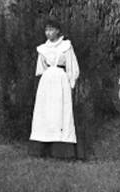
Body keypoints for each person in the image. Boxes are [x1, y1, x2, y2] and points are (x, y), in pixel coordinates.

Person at [29, 20, 83, 160]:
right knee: (45, 113)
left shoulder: (66, 46)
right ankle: (42, 148)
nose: (48, 33)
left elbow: (72, 67)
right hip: (47, 83)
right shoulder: (43, 49)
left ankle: (62, 150)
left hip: (61, 81)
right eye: (46, 30)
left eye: (51, 30)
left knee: (61, 113)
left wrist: (71, 84)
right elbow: (41, 68)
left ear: (58, 31)